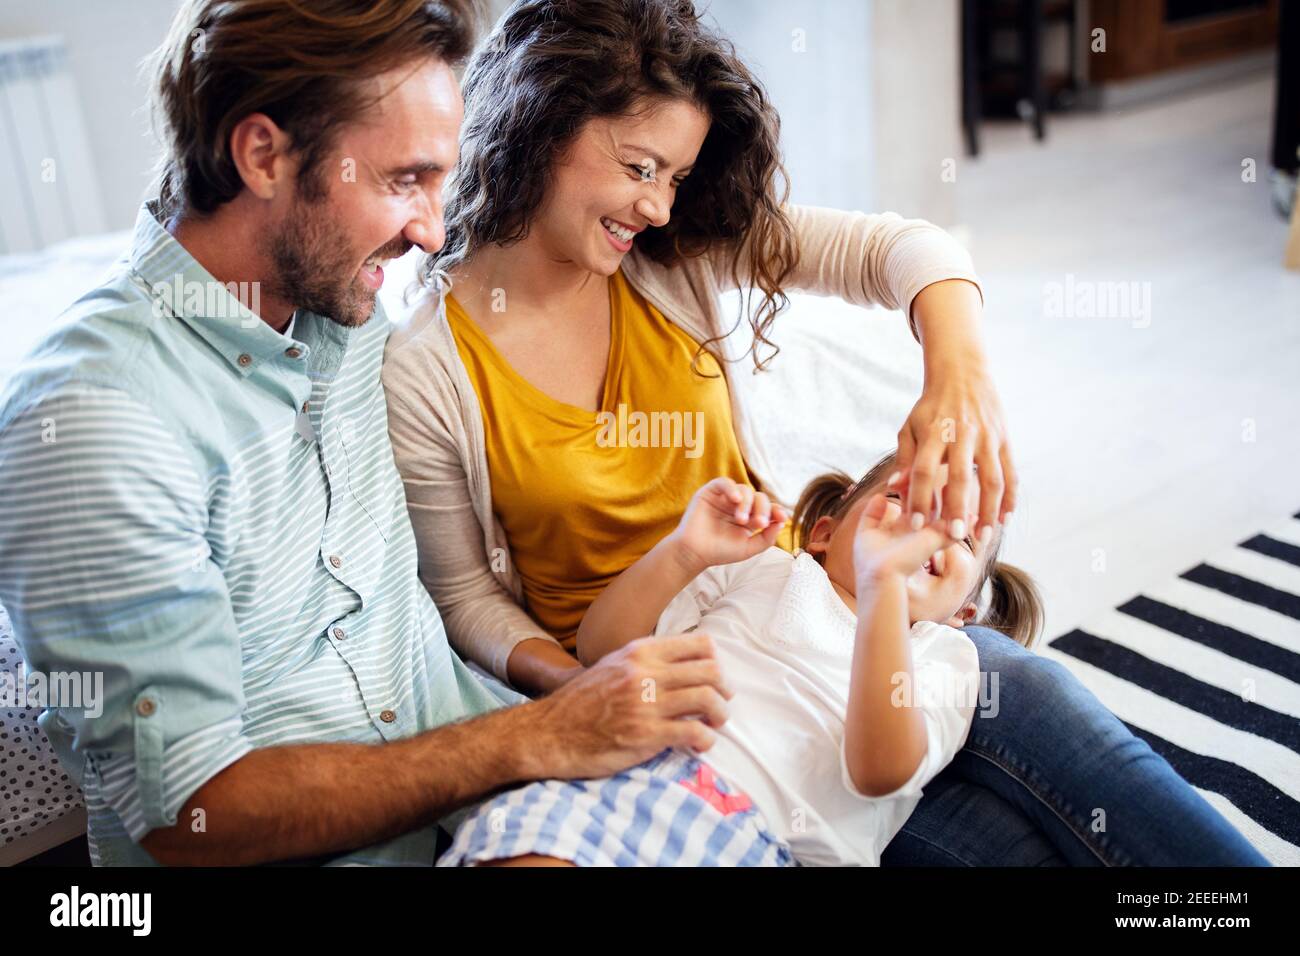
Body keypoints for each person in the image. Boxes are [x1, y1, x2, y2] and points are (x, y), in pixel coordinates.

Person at [383, 0, 1269, 865]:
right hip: (650, 690)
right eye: (641, 166)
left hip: (782, 606)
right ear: (542, 124)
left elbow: (903, 252)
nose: (659, 208)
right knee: (1006, 810)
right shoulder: (429, 364)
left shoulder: (666, 256)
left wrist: (959, 377)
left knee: (997, 689)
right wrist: (583, 694)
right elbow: (464, 600)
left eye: (678, 179)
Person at [0, 0, 735, 867]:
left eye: (440, 181)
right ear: (262, 154)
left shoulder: (339, 301)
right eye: (402, 181)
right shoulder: (93, 425)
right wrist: (538, 736)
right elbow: (195, 814)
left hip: (500, 807)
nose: (430, 231)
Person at [439, 453, 1040, 866]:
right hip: (628, 773)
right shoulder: (764, 569)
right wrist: (684, 551)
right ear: (824, 535)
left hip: (767, 841)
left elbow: (879, 771)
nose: (925, 526)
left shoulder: (943, 655)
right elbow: (603, 652)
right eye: (903, 500)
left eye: (959, 534)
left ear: (964, 609)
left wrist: (883, 583)